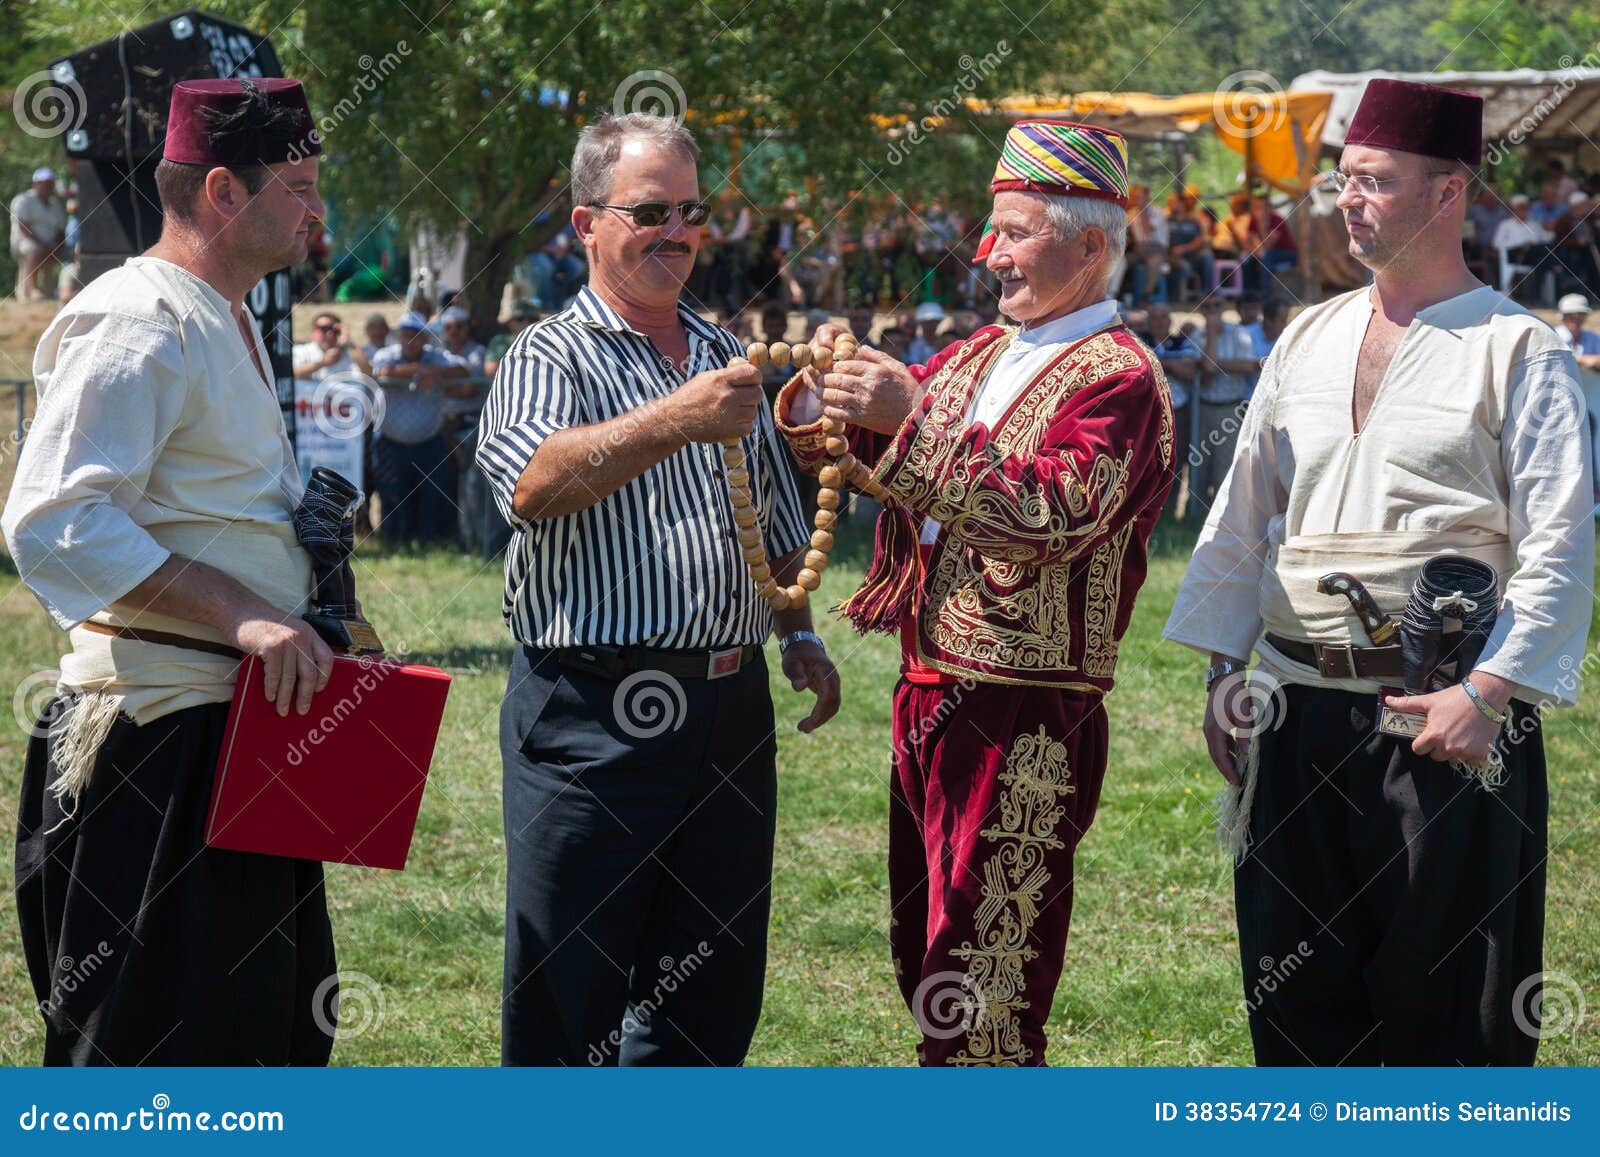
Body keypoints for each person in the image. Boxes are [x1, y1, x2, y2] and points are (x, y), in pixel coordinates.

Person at [1164, 79, 1594, 1066]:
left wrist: (1487, 689)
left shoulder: (1517, 349)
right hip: (1294, 709)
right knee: (1298, 1000)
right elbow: (1242, 510)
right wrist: (1221, 666)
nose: (1346, 200)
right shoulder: (1306, 335)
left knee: (1447, 1013)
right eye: (1342, 181)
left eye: (1373, 181)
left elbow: (1561, 542)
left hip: (1443, 719)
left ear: (1448, 193)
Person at [779, 120, 1175, 1065]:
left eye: (1016, 230)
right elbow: (883, 448)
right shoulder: (978, 354)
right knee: (929, 964)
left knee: (988, 978)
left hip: (1026, 707)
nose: (988, 252)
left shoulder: (1121, 379)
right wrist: (816, 404)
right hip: (933, 689)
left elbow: (1049, 511)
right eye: (991, 227)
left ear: (1090, 245)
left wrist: (903, 416)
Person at [475, 111, 839, 1067]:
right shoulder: (549, 355)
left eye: (691, 210)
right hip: (594, 711)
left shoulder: (725, 352)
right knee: (569, 990)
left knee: (710, 990)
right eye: (649, 211)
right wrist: (678, 416)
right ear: (586, 224)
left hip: (727, 707)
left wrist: (798, 634)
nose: (676, 230)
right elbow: (533, 484)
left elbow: (770, 516)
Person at [2, 78, 339, 1065]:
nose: (318, 208)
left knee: (263, 1036)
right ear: (225, 193)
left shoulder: (219, 311)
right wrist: (245, 610)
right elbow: (54, 518)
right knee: (150, 1056)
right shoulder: (140, 315)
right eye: (302, 184)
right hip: (152, 750)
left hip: (235, 735)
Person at [370, 311, 469, 543]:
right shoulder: (387, 354)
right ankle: (394, 543)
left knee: (432, 496)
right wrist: (418, 370)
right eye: (406, 335)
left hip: (429, 442)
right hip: (390, 442)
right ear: (399, 337)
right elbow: (380, 371)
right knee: (392, 494)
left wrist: (437, 372)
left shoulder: (436, 358)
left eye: (416, 336)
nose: (410, 341)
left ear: (425, 339)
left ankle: (429, 543)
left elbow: (464, 371)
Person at [1189, 294, 1258, 503]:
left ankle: (1222, 519)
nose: (1212, 311)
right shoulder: (1197, 336)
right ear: (1202, 310)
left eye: (1216, 306)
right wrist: (1211, 335)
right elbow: (1207, 369)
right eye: (1207, 306)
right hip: (1203, 407)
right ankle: (1194, 517)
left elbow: (1248, 365)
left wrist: (1215, 366)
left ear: (1224, 307)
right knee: (1199, 465)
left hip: (1231, 408)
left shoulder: (1239, 333)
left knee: (1226, 467)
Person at [10, 167, 68, 302]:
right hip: (26, 243)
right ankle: (32, 290)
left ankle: (57, 291)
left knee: (68, 251)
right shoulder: (23, 199)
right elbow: (23, 227)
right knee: (35, 250)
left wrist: (55, 244)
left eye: (50, 183)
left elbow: (60, 230)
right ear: (35, 184)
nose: (48, 187)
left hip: (49, 244)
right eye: (44, 183)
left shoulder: (55, 204)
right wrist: (43, 244)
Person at [293, 309, 371, 379]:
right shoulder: (302, 351)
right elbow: (292, 373)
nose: (330, 333)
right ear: (313, 333)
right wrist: (323, 363)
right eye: (324, 329)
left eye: (334, 330)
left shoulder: (349, 351)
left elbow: (368, 372)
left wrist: (348, 342)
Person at [484, 298, 539, 377]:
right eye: (520, 319)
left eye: (532, 319)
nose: (526, 322)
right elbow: (491, 370)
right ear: (510, 322)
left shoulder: (545, 341)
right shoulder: (501, 341)